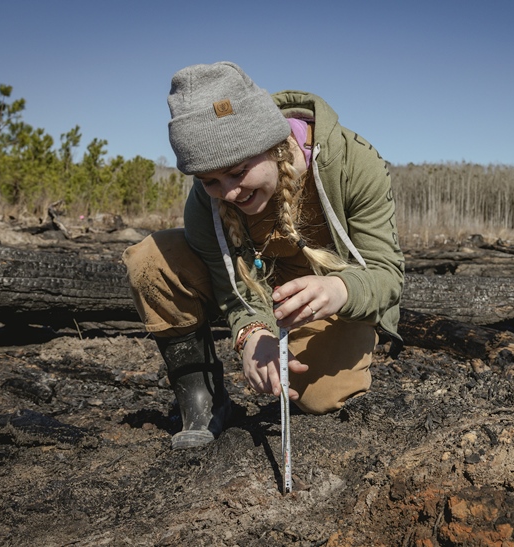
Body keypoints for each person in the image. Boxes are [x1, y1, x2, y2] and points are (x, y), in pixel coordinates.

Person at [123, 61, 404, 449]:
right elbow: (230, 285)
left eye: (239, 172)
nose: (229, 192)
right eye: (210, 181)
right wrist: (251, 332)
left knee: (320, 397)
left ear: (274, 145)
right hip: (264, 295)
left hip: (339, 299)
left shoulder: (354, 163)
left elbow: (388, 274)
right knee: (151, 260)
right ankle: (203, 400)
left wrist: (340, 289)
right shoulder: (207, 201)